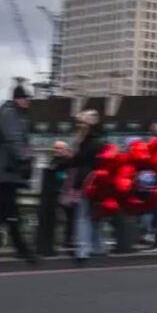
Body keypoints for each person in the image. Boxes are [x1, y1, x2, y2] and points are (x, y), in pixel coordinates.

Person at [0, 82, 38, 263]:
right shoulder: (10, 114)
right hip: (8, 169)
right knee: (10, 210)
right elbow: (14, 139)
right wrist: (24, 158)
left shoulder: (14, 114)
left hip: (9, 169)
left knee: (4, 210)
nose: (28, 102)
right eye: (25, 98)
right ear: (18, 99)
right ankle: (23, 249)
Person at [62, 110, 107, 263]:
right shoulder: (100, 141)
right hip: (98, 182)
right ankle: (98, 247)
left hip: (86, 181)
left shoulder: (87, 142)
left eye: (81, 123)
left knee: (82, 216)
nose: (79, 126)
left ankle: (82, 249)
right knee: (93, 216)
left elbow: (77, 161)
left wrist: (61, 163)